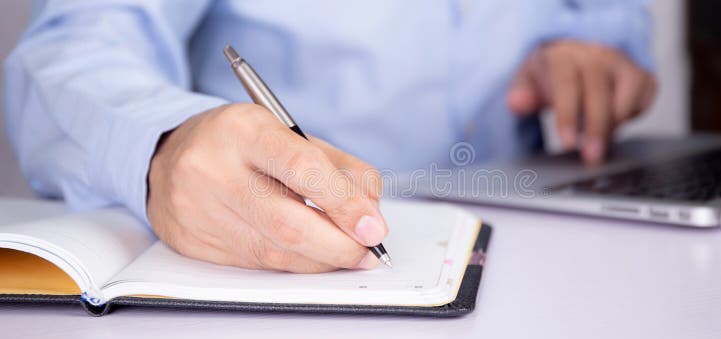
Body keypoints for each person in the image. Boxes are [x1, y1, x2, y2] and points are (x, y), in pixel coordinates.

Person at [4, 0, 656, 273]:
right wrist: (165, 146)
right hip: (278, 265)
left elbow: (609, 17)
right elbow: (75, 44)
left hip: (553, 242)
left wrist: (591, 47)